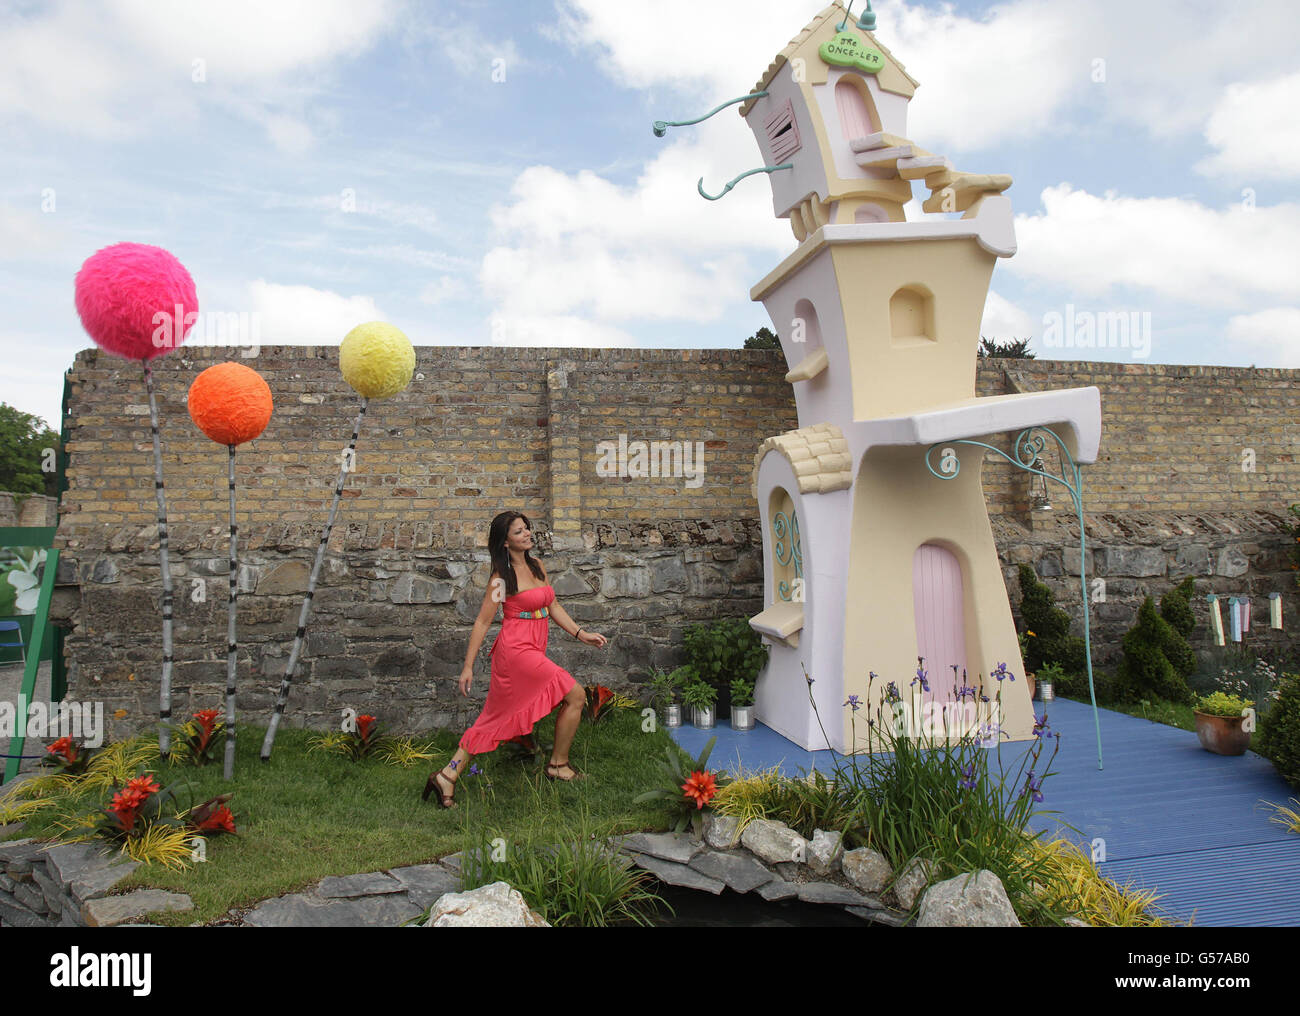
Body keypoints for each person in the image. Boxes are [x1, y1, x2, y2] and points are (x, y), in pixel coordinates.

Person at [422, 510, 608, 807]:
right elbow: (483, 622)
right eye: (519, 531)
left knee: (493, 719)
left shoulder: (537, 566)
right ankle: (557, 766)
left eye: (527, 528)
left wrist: (580, 633)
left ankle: (447, 775)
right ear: (505, 542)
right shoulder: (500, 578)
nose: (527, 534)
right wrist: (468, 666)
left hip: (533, 647)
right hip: (515, 652)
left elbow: (553, 605)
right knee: (575, 695)